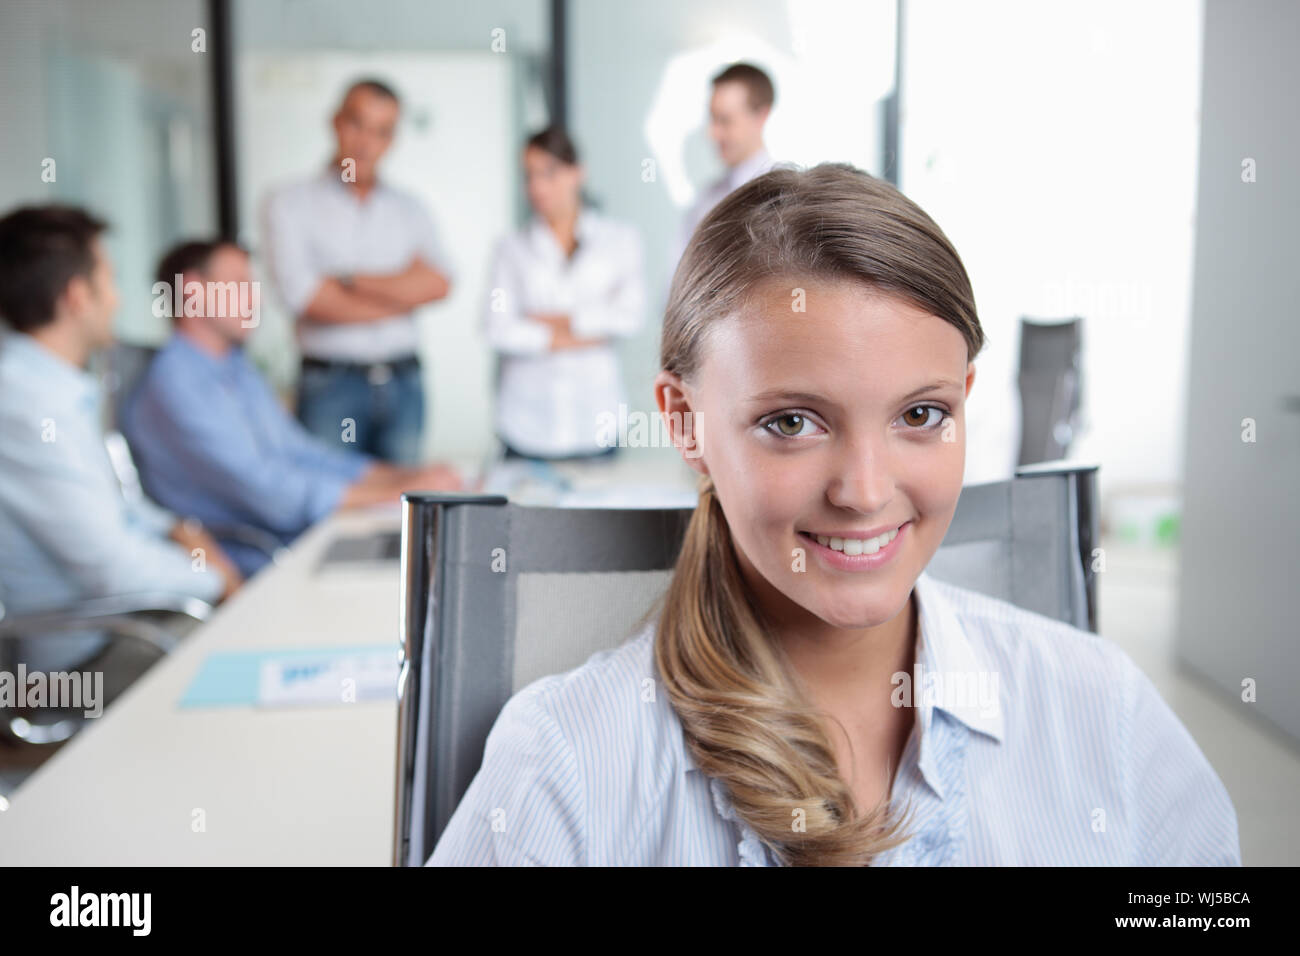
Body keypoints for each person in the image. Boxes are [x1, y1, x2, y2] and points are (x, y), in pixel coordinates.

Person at [429, 164, 1240, 866]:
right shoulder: (564, 766)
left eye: (920, 416)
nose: (863, 489)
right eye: (792, 423)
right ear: (684, 423)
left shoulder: (1103, 708)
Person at [123, 239, 462, 578]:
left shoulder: (235, 368)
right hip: (256, 564)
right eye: (241, 285)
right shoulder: (177, 384)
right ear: (193, 292)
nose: (255, 300)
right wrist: (400, 493)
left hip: (294, 545)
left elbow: (299, 452)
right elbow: (268, 491)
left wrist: (405, 477)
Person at [0, 206, 239, 676]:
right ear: (75, 296)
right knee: (240, 659)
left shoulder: (49, 386)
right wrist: (218, 580)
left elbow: (112, 508)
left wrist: (178, 529)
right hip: (80, 661)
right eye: (107, 281)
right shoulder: (24, 406)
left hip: (123, 624)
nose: (117, 300)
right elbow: (112, 567)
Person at [262, 78, 455, 465]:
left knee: (404, 510)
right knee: (331, 501)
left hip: (405, 384)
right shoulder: (288, 203)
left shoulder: (410, 209)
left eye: (382, 131)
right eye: (357, 124)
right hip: (330, 386)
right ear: (336, 122)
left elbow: (439, 284)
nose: (366, 142)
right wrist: (402, 294)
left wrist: (349, 281)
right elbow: (307, 299)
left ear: (393, 139)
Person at [483, 126, 645, 460]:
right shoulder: (510, 249)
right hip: (525, 425)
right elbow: (497, 329)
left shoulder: (620, 240)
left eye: (549, 173)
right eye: (529, 176)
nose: (537, 187)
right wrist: (592, 331)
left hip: (596, 423)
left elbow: (630, 317)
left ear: (577, 172)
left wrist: (547, 323)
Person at [670, 62, 777, 272]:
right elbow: (676, 280)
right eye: (712, 119)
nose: (712, 133)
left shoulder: (784, 197)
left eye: (725, 121)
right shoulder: (704, 201)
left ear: (761, 117)